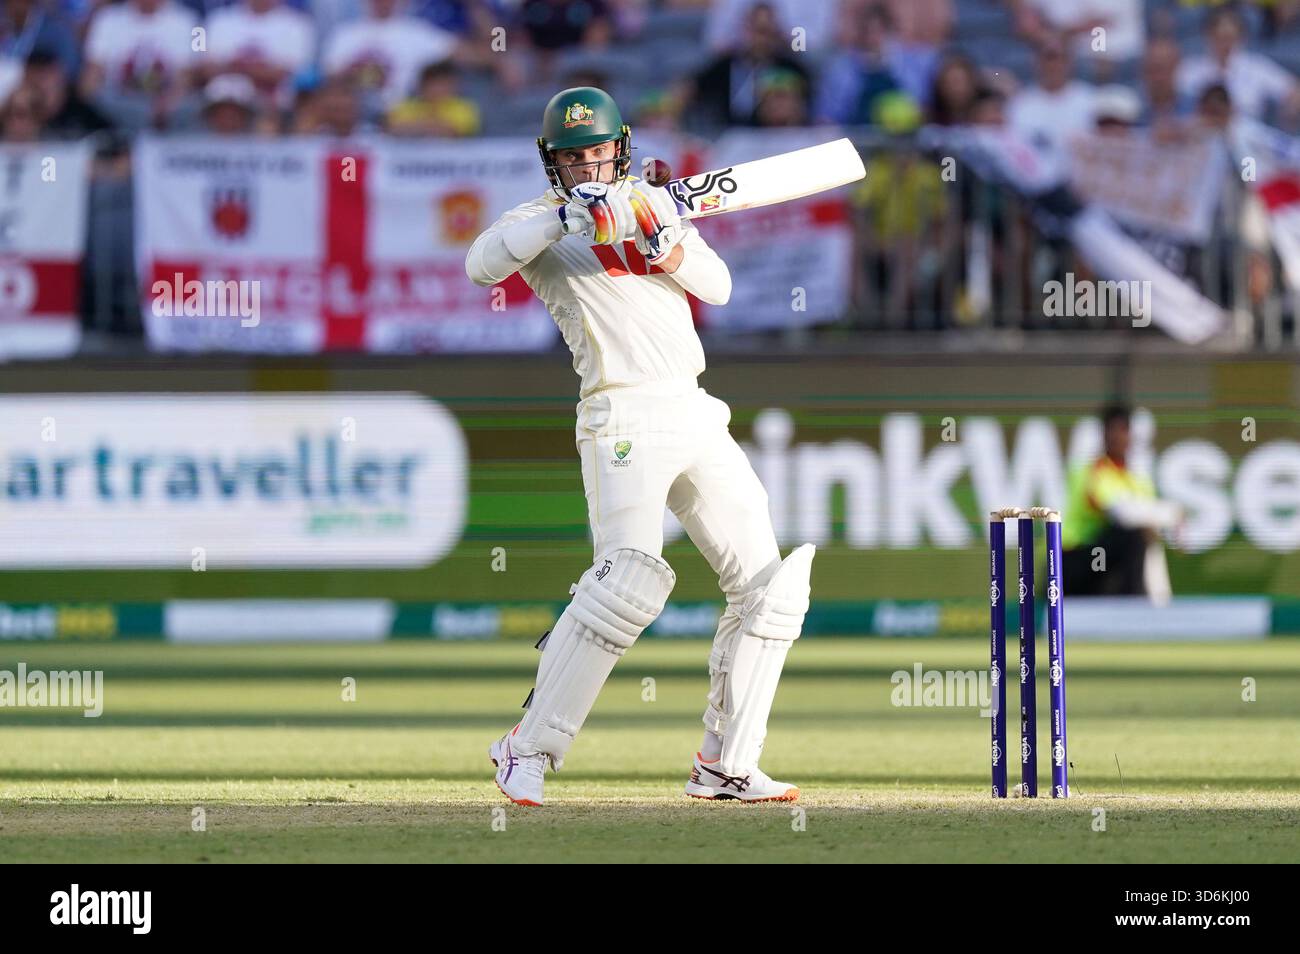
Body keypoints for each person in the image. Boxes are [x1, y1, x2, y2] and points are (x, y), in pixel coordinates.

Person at [465, 86, 814, 806]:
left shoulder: (656, 205)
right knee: (628, 579)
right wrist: (567, 218)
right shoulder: (539, 223)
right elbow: (481, 264)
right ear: (551, 164)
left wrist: (668, 243)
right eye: (573, 160)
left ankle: (726, 764)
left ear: (619, 149)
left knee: (769, 587)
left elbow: (716, 287)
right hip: (619, 414)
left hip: (692, 406)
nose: (589, 168)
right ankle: (524, 748)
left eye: (598, 154)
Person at [1061, 405, 1181, 600]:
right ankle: (1133, 605)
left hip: (1105, 571)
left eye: (1122, 429)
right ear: (1103, 434)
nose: (1116, 436)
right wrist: (1173, 514)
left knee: (1145, 535)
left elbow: (1150, 526)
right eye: (1111, 429)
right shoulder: (1091, 471)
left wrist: (1169, 522)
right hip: (1073, 562)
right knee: (1133, 534)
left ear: (1131, 435)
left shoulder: (1138, 481)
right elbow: (1121, 513)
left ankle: (1159, 603)